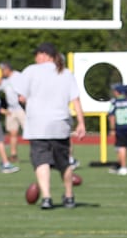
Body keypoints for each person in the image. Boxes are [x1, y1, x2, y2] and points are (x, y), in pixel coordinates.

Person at [14, 42, 86, 209]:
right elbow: (75, 99)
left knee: (41, 161)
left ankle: (46, 197)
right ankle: (69, 196)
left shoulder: (30, 71)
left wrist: (29, 109)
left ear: (43, 55)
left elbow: (21, 98)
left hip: (37, 124)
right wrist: (81, 122)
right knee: (64, 162)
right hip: (60, 123)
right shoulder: (66, 73)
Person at [0, 61, 25, 162]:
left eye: (2, 70)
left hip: (21, 108)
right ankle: (13, 155)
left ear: (7, 68)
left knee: (30, 132)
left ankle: (38, 153)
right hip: (11, 109)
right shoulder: (4, 81)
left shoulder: (18, 76)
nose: (1, 72)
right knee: (13, 132)